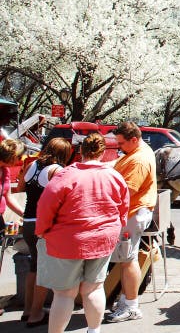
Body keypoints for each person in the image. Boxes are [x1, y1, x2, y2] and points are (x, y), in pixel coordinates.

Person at [35, 133, 129, 333]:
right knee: (94, 288)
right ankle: (94, 330)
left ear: (80, 151)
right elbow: (123, 207)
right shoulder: (114, 176)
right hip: (103, 239)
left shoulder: (67, 175)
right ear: (103, 153)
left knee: (64, 294)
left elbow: (45, 206)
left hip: (67, 241)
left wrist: (42, 231)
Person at [106, 121, 157, 323]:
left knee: (128, 260)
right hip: (133, 212)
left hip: (132, 213)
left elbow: (128, 192)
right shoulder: (137, 153)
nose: (119, 147)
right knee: (128, 259)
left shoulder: (139, 160)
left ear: (133, 140)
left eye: (121, 143)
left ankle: (131, 305)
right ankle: (128, 302)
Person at [19, 137, 72, 326]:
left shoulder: (31, 165)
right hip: (43, 224)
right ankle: (36, 314)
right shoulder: (57, 170)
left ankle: (27, 310)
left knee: (34, 266)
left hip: (27, 221)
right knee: (43, 269)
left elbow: (20, 188)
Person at [0, 139, 25, 318]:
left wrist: (24, 215)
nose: (20, 161)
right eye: (18, 157)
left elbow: (8, 197)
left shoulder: (5, 171)